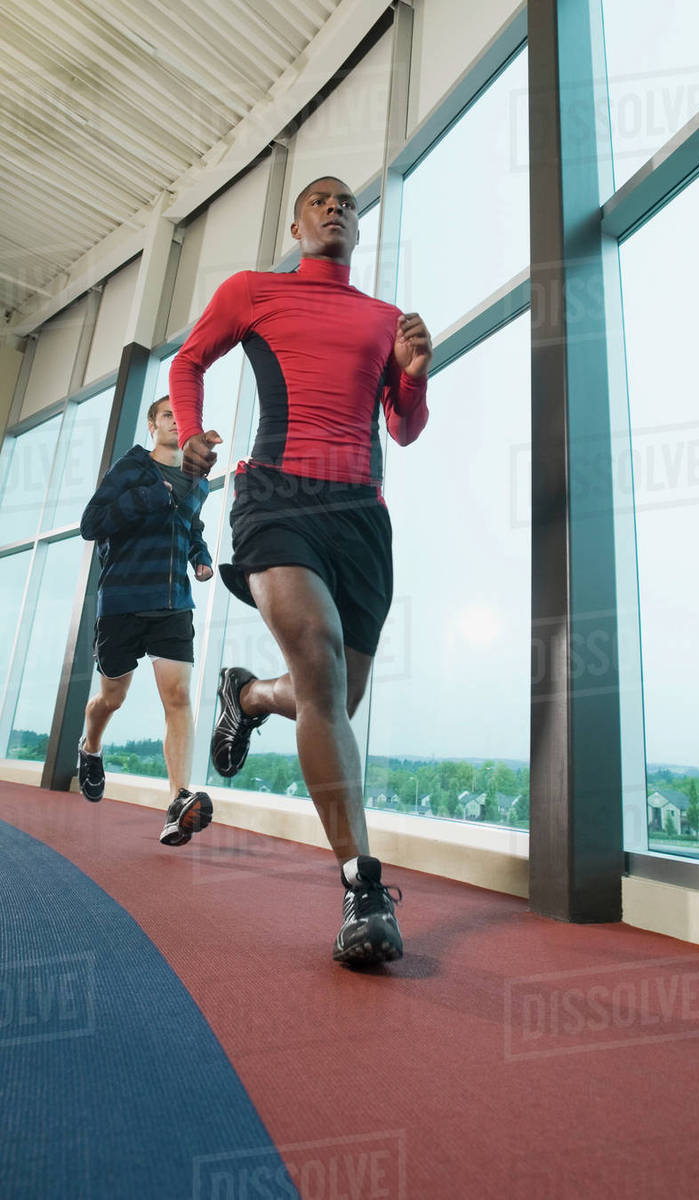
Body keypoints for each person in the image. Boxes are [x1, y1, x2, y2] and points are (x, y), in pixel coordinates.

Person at [169, 176, 432, 965]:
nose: (335, 207)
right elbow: (189, 361)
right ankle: (361, 888)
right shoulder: (253, 291)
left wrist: (414, 374)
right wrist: (190, 435)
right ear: (295, 223)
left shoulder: (386, 320)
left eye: (346, 202)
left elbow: (404, 428)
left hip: (360, 517)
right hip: (276, 494)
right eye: (319, 199)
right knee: (317, 653)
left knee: (334, 696)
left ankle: (246, 695)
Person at [77, 396, 216, 848]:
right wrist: (152, 496)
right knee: (111, 698)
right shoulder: (131, 468)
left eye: (183, 415)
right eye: (167, 415)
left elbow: (190, 526)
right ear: (152, 425)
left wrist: (201, 556)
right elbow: (92, 523)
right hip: (122, 601)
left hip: (174, 602)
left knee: (177, 697)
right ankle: (90, 747)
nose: (176, 421)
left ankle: (178, 800)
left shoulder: (199, 481)